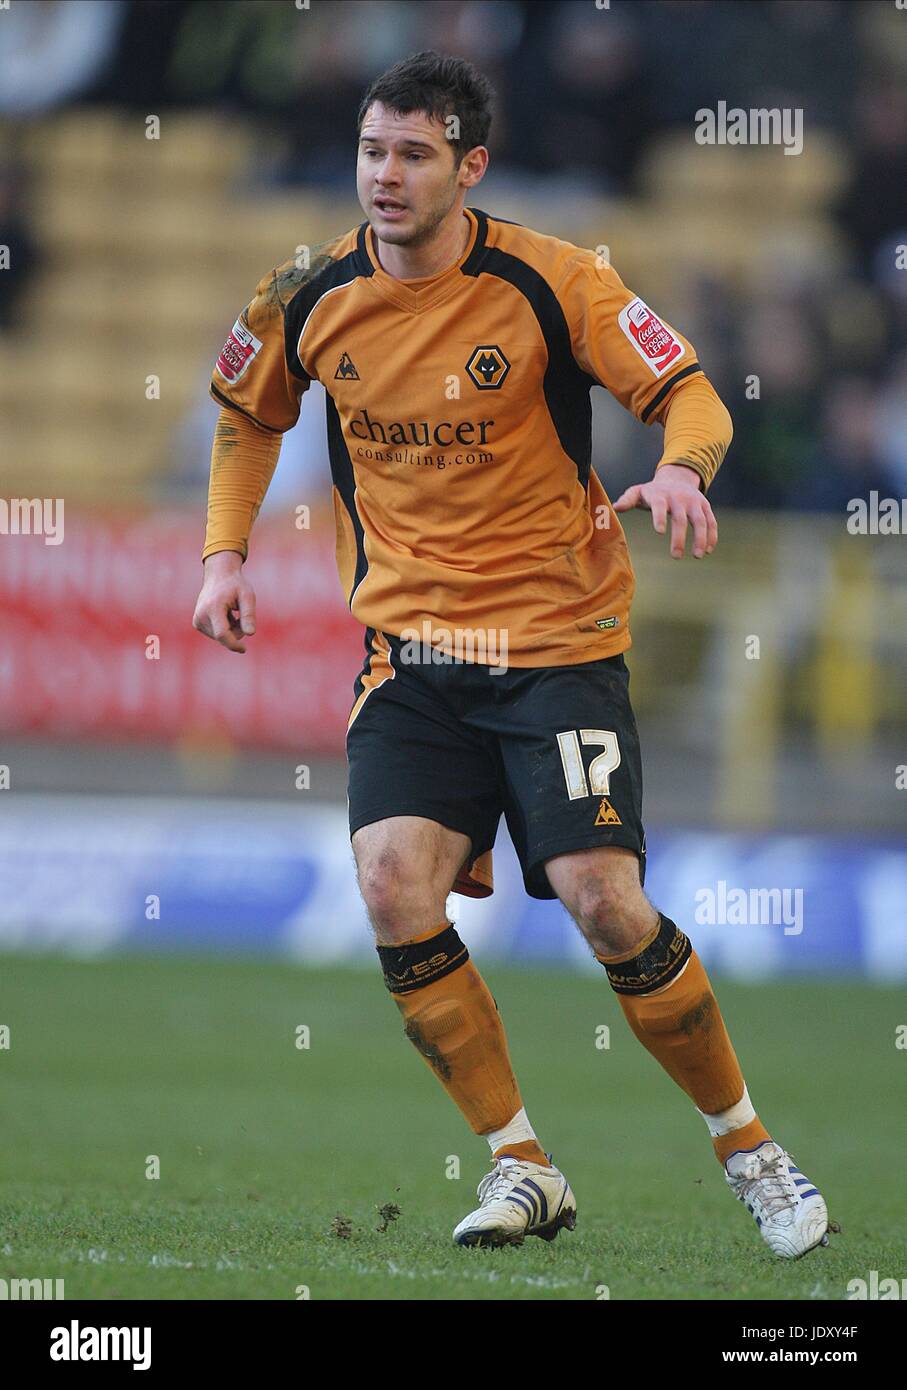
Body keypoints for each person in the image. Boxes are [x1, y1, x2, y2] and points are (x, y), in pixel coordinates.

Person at [193, 50, 829, 1257]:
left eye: (413, 155)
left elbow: (693, 391)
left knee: (606, 904)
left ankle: (750, 1149)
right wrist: (223, 556)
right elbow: (244, 412)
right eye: (373, 150)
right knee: (390, 886)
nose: (384, 175)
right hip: (411, 656)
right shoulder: (308, 288)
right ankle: (521, 1164)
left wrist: (683, 471)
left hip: (554, 647)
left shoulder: (555, 279)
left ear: (468, 167)